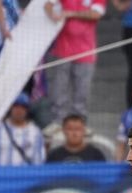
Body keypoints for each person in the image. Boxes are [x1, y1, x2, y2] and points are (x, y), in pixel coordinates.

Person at [43, 0, 106, 130]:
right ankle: (58, 121)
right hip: (63, 50)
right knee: (59, 89)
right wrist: (53, 15)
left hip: (86, 52)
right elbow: (47, 4)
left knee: (82, 91)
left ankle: (80, 123)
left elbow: (96, 14)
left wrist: (70, 13)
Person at [0, 93, 46, 166]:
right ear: (10, 107)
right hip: (1, 173)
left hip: (26, 173)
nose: (19, 110)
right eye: (16, 106)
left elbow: (39, 161)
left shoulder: (35, 133)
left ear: (27, 110)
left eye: (23, 107)